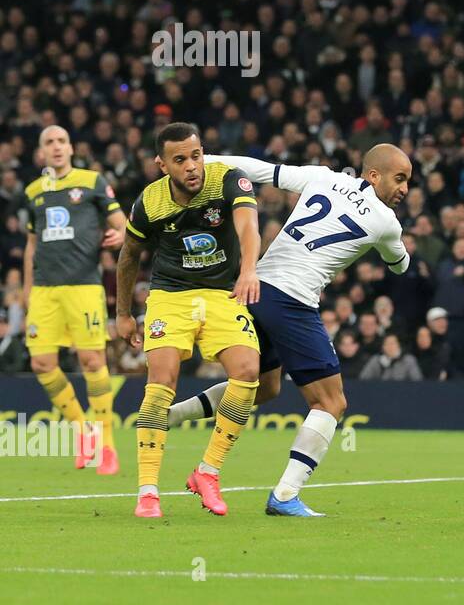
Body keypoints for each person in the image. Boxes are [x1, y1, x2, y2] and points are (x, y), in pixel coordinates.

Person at [166, 144, 411, 517]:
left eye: (408, 181)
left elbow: (257, 169)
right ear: (373, 175)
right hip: (291, 301)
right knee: (331, 403)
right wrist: (399, 252)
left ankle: (172, 418)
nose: (405, 188)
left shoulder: (323, 177)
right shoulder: (387, 222)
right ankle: (285, 494)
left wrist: (204, 162)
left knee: (264, 388)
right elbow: (399, 266)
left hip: (254, 289)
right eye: (400, 178)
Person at [117, 123, 262, 519]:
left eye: (195, 155)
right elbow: (129, 256)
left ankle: (207, 471)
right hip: (170, 296)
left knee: (249, 372)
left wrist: (248, 270)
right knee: (161, 380)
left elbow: (248, 226)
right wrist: (124, 312)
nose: (191, 166)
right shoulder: (150, 202)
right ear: (162, 165)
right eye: (180, 160)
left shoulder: (228, 181)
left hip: (221, 293)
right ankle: (148, 492)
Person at [22, 125, 127, 474]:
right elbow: (32, 246)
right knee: (41, 363)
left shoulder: (92, 181)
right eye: (48, 142)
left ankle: (107, 445)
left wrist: (118, 234)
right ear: (41, 152)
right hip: (44, 290)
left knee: (92, 361)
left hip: (83, 285)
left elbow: (121, 224)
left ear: (70, 148)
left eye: (61, 141)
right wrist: (26, 291)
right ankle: (84, 432)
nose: (55, 147)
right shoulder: (34, 191)